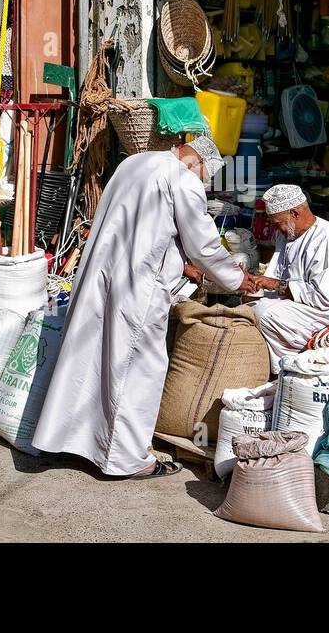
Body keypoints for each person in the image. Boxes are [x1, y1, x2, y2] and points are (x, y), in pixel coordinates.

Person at [33, 137, 255, 479]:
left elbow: (146, 228)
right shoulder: (182, 179)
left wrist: (181, 262)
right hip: (138, 286)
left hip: (102, 275)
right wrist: (237, 280)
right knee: (137, 369)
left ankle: (69, 441)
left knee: (88, 359)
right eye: (204, 177)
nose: (202, 183)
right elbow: (205, 245)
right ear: (196, 163)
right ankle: (127, 460)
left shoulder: (134, 163)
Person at [248, 184, 329, 376]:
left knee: (264, 313)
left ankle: (291, 368)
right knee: (248, 305)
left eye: (277, 223)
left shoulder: (327, 238)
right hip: (301, 308)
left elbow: (324, 298)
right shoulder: (287, 234)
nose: (275, 229)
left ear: (294, 213)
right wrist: (253, 281)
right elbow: (275, 277)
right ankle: (284, 367)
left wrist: (275, 285)